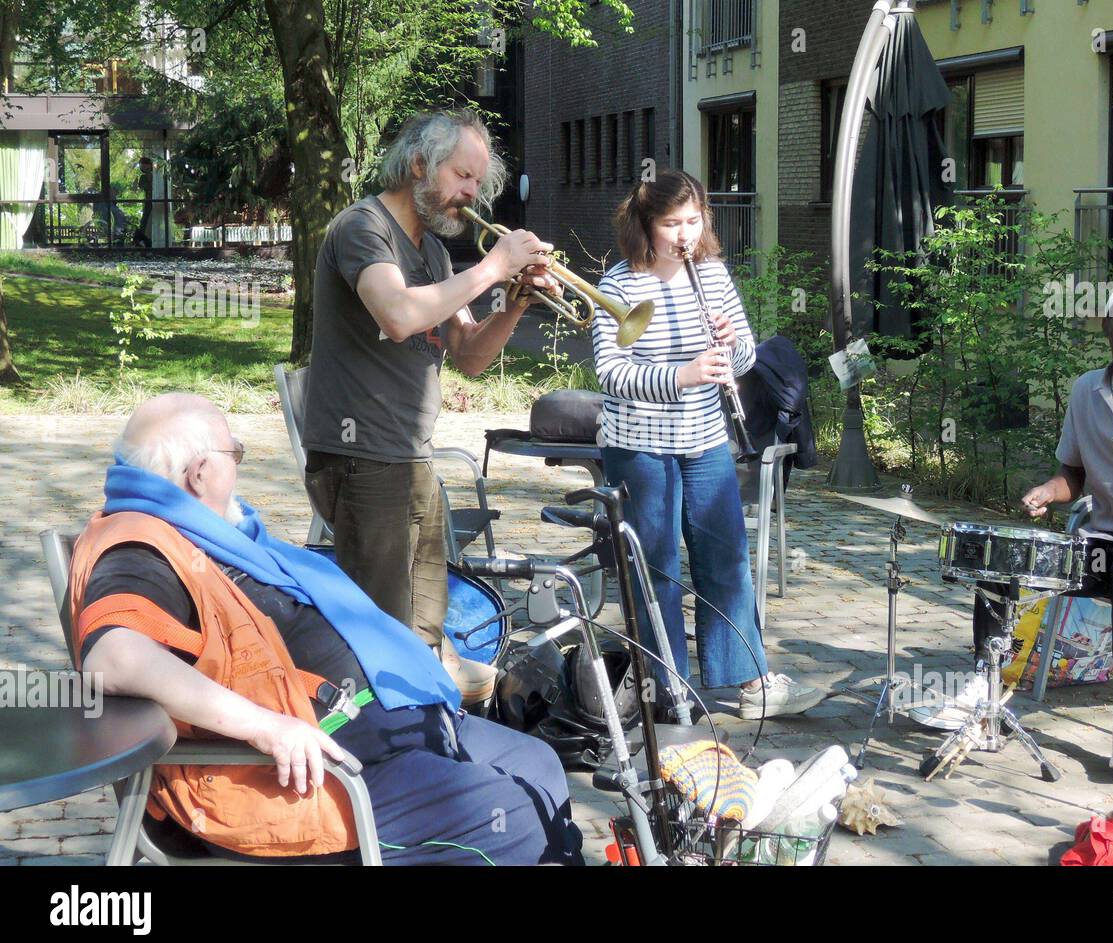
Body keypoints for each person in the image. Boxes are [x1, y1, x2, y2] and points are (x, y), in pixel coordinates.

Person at [69, 394, 582, 865]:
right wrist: (265, 726)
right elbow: (116, 658)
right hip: (300, 779)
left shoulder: (210, 533)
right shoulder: (138, 544)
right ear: (200, 472)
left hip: (375, 735)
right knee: (508, 814)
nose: (238, 468)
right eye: (236, 454)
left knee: (537, 763)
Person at [301, 110, 560, 705]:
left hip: (408, 459)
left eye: (477, 182)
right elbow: (398, 315)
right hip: (361, 455)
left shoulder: (435, 257)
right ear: (419, 165)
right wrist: (495, 266)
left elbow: (468, 354)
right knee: (387, 639)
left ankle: (429, 734)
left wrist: (514, 303)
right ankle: (381, 752)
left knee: (422, 629)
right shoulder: (362, 228)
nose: (471, 193)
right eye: (461, 175)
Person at [591, 170, 825, 720]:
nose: (684, 234)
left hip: (704, 439)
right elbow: (610, 373)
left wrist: (732, 345)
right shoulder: (620, 284)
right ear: (646, 225)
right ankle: (669, 687)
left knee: (726, 557)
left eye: (694, 221)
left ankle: (749, 679)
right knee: (659, 564)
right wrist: (683, 374)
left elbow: (744, 361)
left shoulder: (713, 275)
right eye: (672, 223)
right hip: (640, 444)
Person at [954, 280, 1113, 774]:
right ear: (1106, 326)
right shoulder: (1085, 390)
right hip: (1103, 540)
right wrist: (1049, 492)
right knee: (1006, 558)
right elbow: (1073, 473)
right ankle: (983, 691)